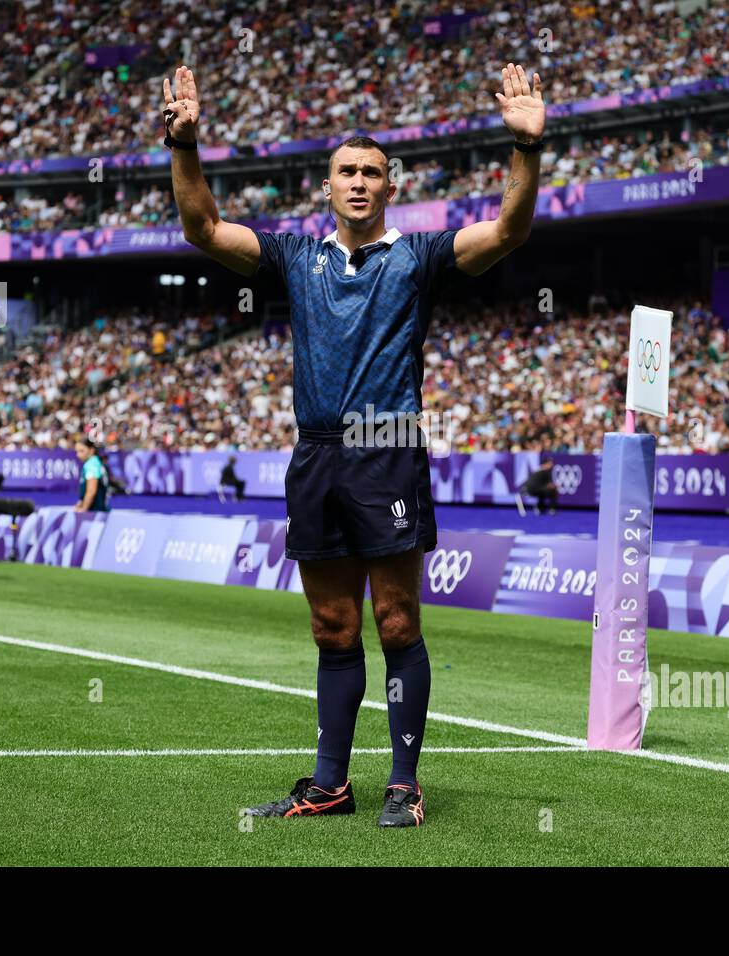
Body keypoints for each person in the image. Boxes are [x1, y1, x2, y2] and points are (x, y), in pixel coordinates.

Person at [163, 62, 544, 826]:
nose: (360, 182)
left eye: (373, 171)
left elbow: (508, 230)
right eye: (347, 172)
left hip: (388, 447)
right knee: (330, 628)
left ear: (389, 187)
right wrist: (185, 147)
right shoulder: (297, 259)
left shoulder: (420, 257)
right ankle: (330, 782)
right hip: (317, 453)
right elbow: (202, 228)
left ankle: (403, 782)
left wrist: (527, 151)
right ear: (328, 187)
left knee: (397, 622)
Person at [73, 439, 110, 513]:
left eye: (81, 451)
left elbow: (91, 491)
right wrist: (81, 502)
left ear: (91, 450)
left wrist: (84, 508)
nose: (78, 455)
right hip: (101, 508)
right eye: (77, 451)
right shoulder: (97, 462)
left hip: (94, 511)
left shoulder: (91, 465)